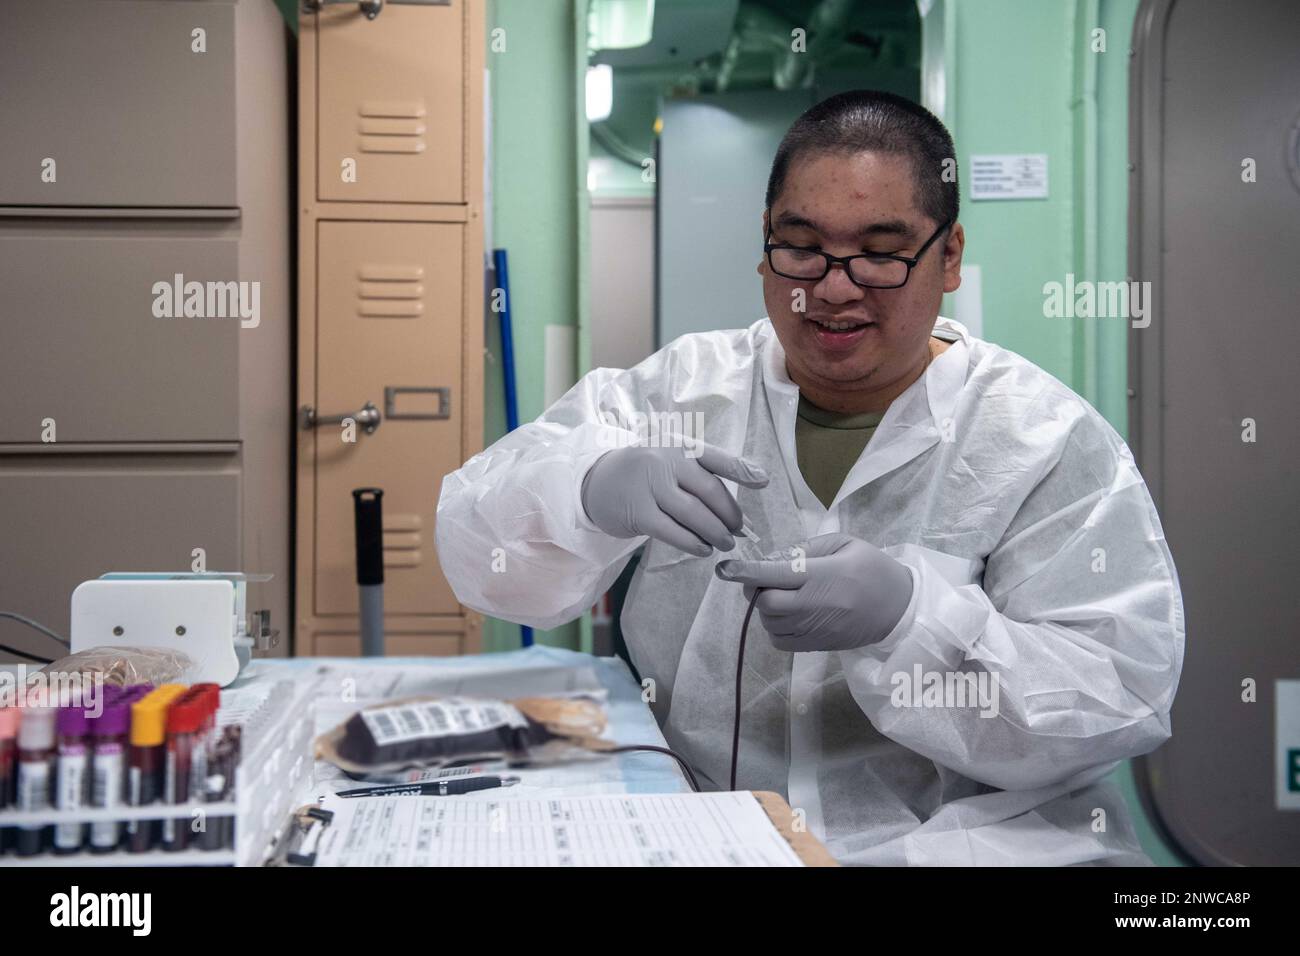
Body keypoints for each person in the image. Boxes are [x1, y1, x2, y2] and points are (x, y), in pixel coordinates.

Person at [436, 90, 1185, 865]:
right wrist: (586, 486)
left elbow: (1115, 703)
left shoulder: (1040, 439)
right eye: (801, 246)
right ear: (765, 246)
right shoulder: (681, 392)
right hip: (706, 840)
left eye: (881, 252)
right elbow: (475, 552)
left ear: (950, 256)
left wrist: (914, 621)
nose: (831, 287)